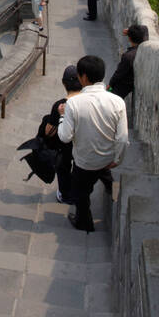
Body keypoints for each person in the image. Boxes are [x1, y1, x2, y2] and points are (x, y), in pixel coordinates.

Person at [57, 54, 127, 232]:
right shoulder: (117, 101)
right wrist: (117, 159)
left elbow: (65, 137)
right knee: (103, 174)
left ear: (84, 77)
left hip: (85, 162)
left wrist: (62, 116)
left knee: (81, 193)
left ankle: (84, 222)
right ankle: (112, 188)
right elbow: (122, 138)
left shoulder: (73, 103)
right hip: (107, 159)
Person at [41, 65, 83, 202]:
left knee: (63, 167)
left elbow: (49, 131)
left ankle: (65, 194)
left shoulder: (60, 105)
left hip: (65, 146)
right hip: (84, 144)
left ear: (64, 83)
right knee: (79, 167)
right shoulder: (88, 101)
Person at [109, 24, 149, 99]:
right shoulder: (144, 46)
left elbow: (118, 74)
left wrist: (110, 85)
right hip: (133, 80)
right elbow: (145, 28)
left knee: (112, 93)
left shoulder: (128, 56)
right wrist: (130, 31)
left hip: (127, 83)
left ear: (129, 39)